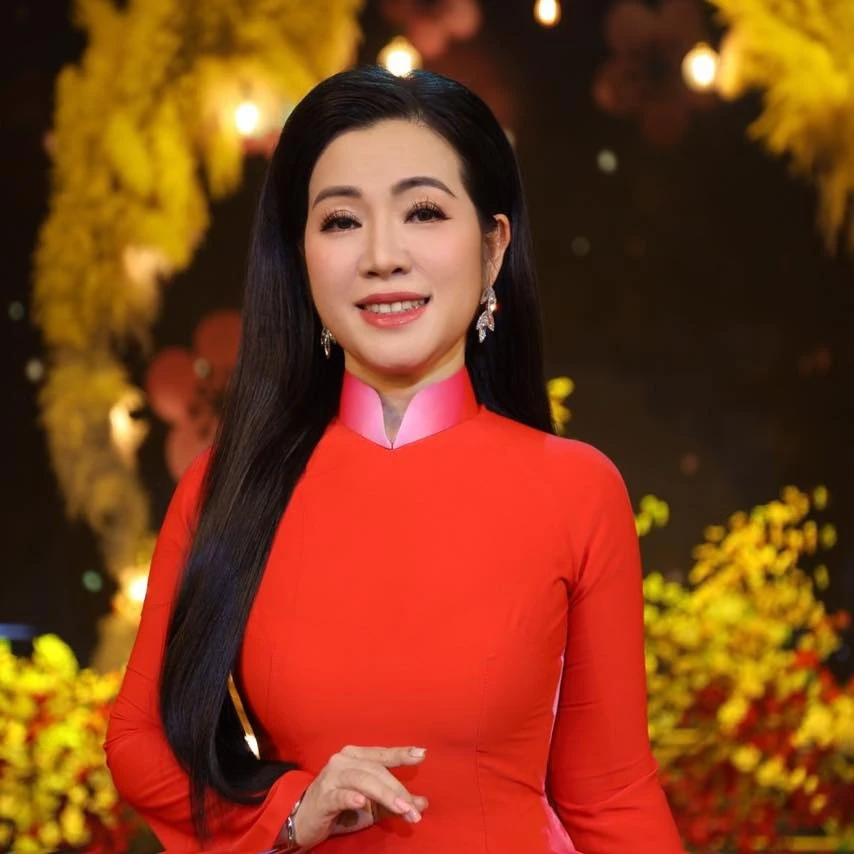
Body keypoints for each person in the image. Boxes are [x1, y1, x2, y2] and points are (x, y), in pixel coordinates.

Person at [104, 65, 685, 853]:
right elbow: (140, 742)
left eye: (423, 212)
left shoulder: (576, 490)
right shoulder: (227, 488)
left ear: (493, 246)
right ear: (300, 255)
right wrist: (288, 812)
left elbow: (612, 796)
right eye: (342, 221)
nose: (383, 256)